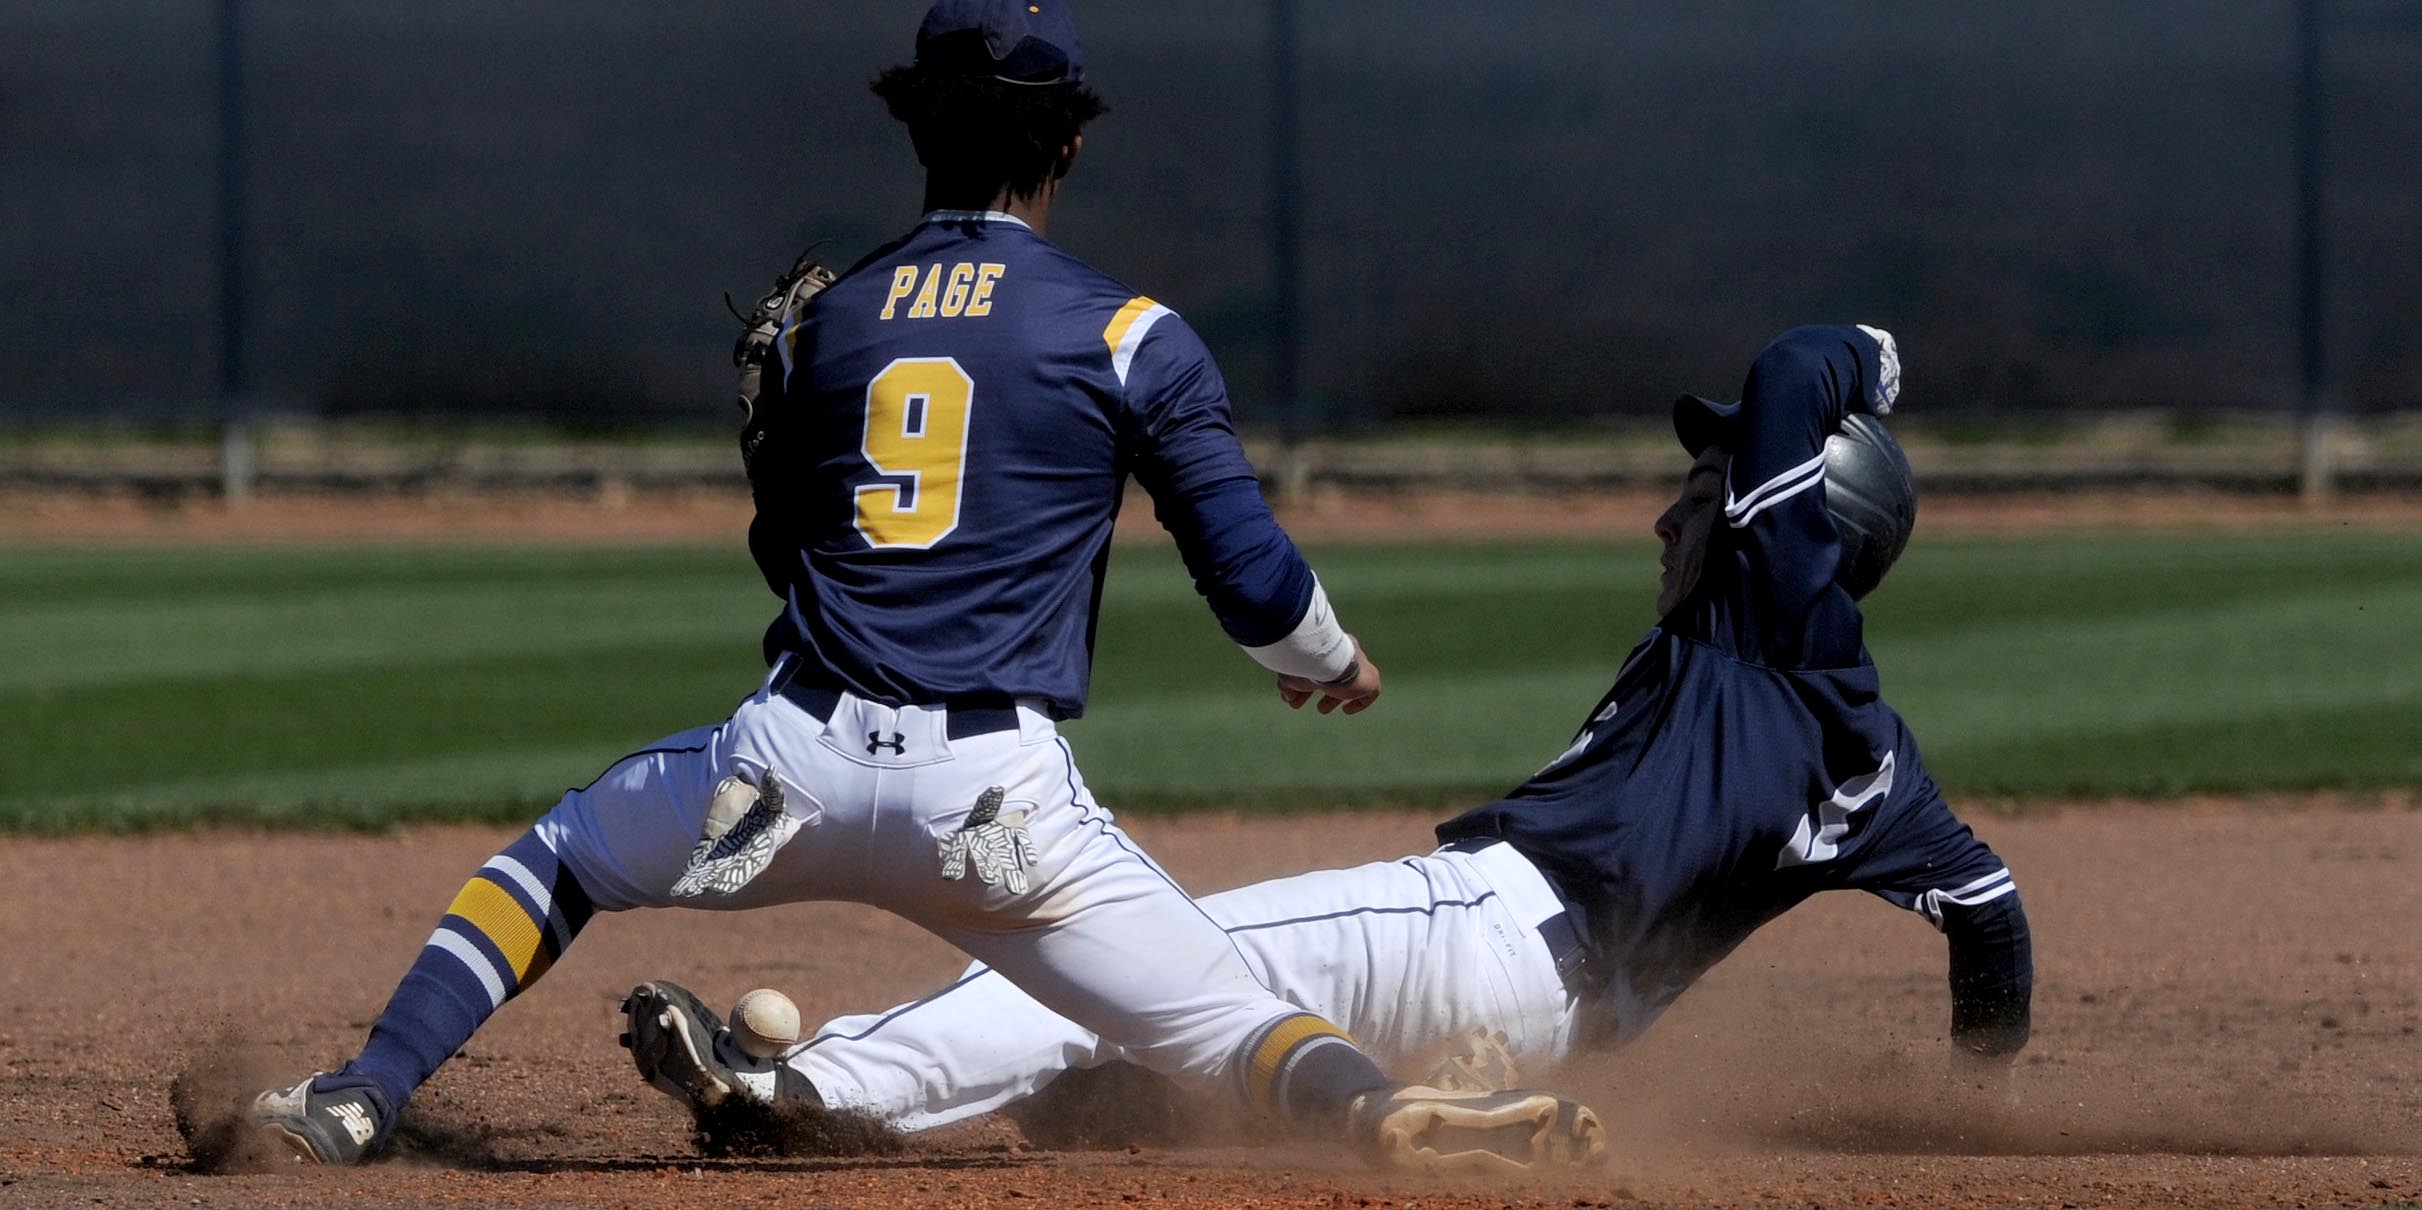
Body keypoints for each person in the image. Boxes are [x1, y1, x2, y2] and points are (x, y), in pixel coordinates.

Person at [241, 0, 1604, 1175]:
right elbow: (1247, 579)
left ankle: (364, 1095)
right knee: (1233, 1018)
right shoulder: (1131, 335)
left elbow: (787, 559)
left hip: (790, 767)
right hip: (996, 804)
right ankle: (1377, 1111)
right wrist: (1324, 658)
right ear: (1070, 137)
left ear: (917, 125)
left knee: (556, 858)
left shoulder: (828, 323)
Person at [621, 325, 2036, 1138]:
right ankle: (1430, 1107)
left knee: (1105, 966)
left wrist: (1873, 359)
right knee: (1129, 1097)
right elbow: (1988, 911)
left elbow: (1800, 363)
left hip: (1470, 926)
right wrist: (1976, 1098)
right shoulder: (1878, 762)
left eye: (1711, 484)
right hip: (1544, 1028)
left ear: (1799, 523)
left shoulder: (1771, 608)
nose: (1676, 512)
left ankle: (799, 1078)